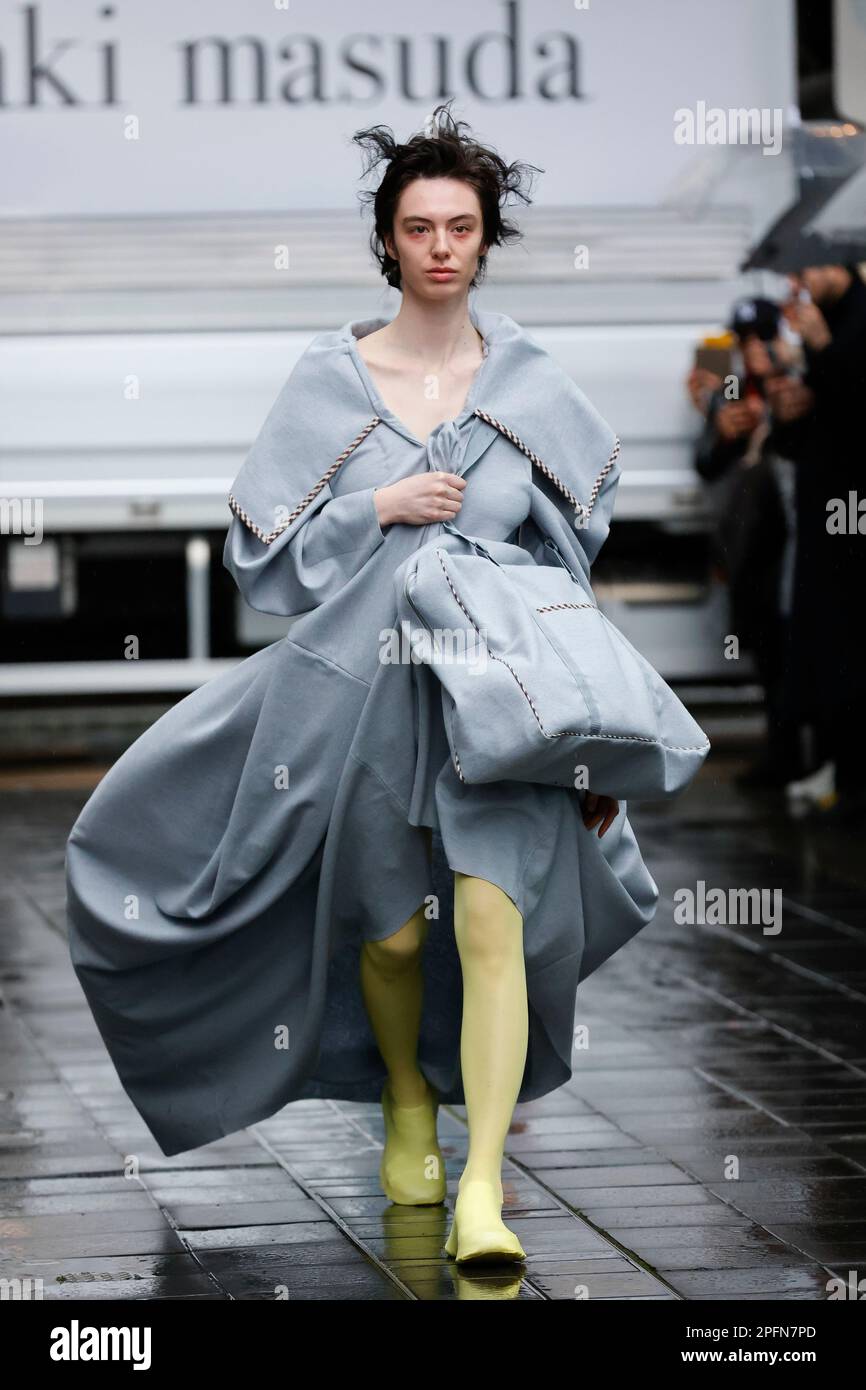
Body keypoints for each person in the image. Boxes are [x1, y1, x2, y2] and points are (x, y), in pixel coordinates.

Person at [64, 104, 664, 1267]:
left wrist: (592, 743)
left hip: (500, 706)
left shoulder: (531, 384)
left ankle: (482, 1181)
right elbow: (260, 559)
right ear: (386, 243)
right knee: (389, 941)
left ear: (486, 241)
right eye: (417, 226)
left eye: (461, 226)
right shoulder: (330, 378)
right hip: (365, 704)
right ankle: (403, 1100)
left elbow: (566, 572)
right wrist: (374, 506)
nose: (440, 245)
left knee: (492, 921)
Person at [690, 298, 802, 786]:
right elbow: (708, 463)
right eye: (745, 340)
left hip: (795, 538)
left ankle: (802, 756)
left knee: (798, 648)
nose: (754, 350)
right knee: (766, 650)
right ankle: (783, 754)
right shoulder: (730, 388)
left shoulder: (797, 376)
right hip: (753, 541)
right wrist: (723, 430)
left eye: (763, 337)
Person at [768, 263, 866, 821]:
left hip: (852, 518)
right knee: (825, 644)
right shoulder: (821, 324)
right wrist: (792, 403)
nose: (800, 280)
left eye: (810, 268)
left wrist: (823, 350)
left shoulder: (850, 324)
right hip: (823, 514)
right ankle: (837, 767)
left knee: (847, 642)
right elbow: (818, 414)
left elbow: (855, 397)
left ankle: (848, 774)